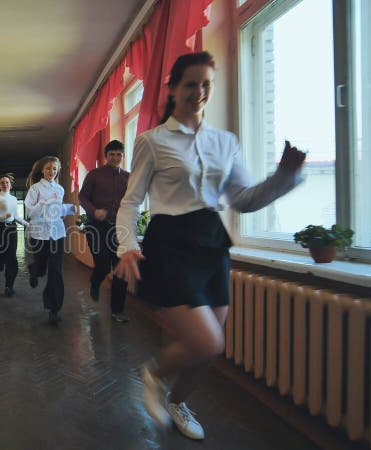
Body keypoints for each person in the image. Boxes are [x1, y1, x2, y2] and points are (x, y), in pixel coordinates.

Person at [112, 51, 306, 441]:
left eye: (206, 84)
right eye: (190, 84)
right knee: (206, 339)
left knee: (210, 349)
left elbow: (243, 199)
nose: (198, 92)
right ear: (172, 88)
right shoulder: (152, 140)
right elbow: (131, 201)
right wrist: (127, 246)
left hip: (212, 242)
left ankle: (177, 402)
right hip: (170, 242)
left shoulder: (225, 141)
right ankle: (153, 372)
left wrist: (284, 177)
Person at [78, 139, 130, 323]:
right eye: (112, 154)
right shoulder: (94, 175)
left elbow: (133, 202)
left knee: (121, 269)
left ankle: (117, 311)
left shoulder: (129, 177)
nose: (115, 157)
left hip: (120, 228)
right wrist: (94, 211)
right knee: (101, 262)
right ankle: (95, 281)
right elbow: (82, 197)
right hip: (96, 226)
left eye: (119, 155)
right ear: (106, 156)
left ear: (123, 156)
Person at [24, 156, 77, 324]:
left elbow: (57, 211)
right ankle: (34, 271)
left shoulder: (60, 189)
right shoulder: (35, 189)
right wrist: (44, 204)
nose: (51, 171)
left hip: (57, 232)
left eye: (54, 168)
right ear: (42, 170)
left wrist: (69, 209)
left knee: (55, 270)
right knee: (41, 268)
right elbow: (30, 214)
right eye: (48, 168)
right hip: (39, 233)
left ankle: (53, 308)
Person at [0, 173, 28, 297]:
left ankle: (9, 286)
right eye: (2, 183)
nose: (5, 184)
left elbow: (16, 216)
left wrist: (27, 224)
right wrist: (3, 216)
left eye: (7, 182)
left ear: (11, 185)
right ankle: (0, 260)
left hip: (11, 229)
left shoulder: (14, 199)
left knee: (12, 258)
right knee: (0, 253)